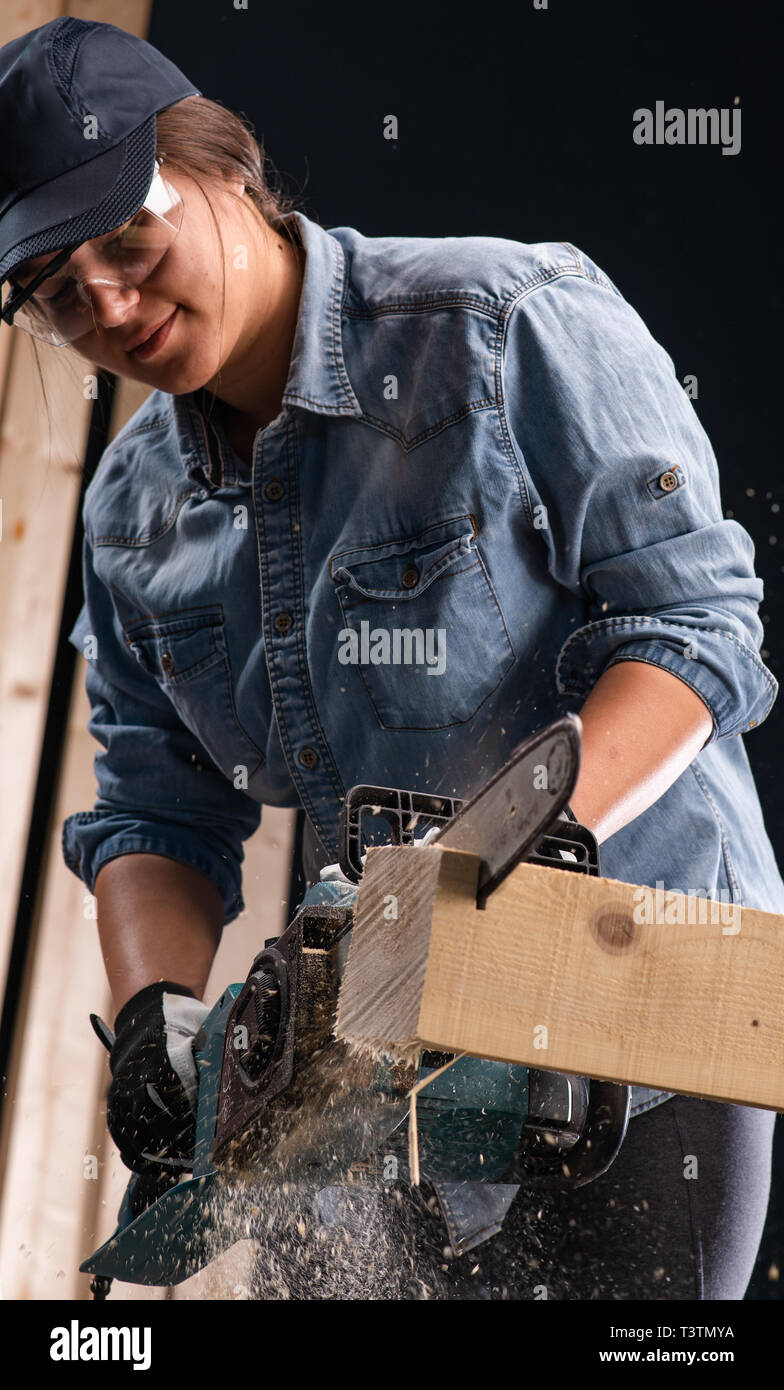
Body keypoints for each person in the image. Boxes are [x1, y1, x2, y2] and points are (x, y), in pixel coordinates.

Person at [1, 17, 780, 1300]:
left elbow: (694, 635)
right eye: (59, 295)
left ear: (226, 166)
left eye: (130, 242)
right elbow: (154, 803)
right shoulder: (130, 515)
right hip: (368, 1065)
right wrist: (153, 1015)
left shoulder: (497, 324)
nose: (114, 307)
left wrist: (485, 875)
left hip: (629, 1017)